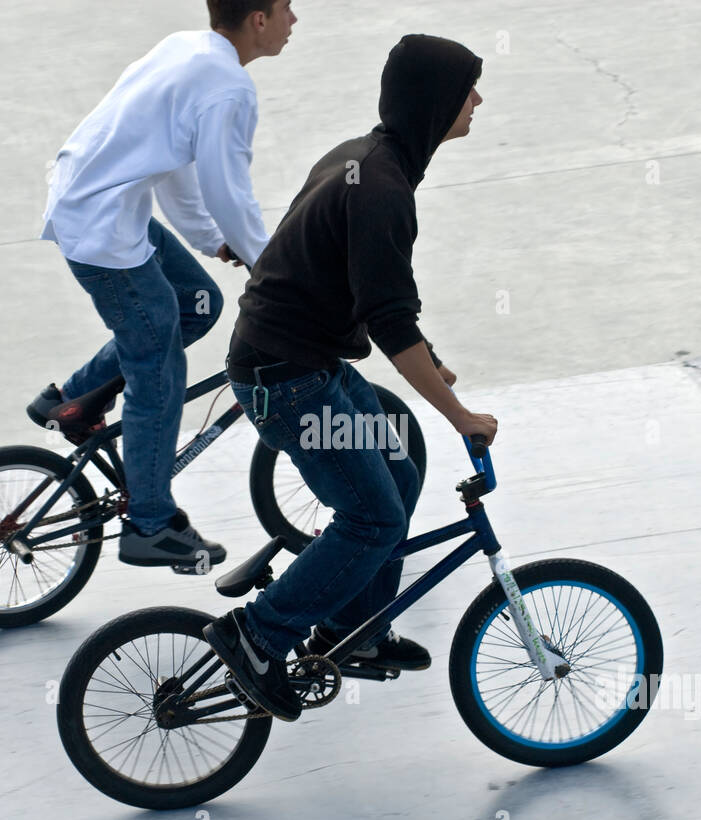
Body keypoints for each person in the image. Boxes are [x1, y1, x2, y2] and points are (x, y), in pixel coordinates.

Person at [202, 34, 497, 721]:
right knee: (371, 518)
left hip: (305, 361)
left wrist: (427, 357)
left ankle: (353, 632)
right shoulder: (383, 188)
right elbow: (390, 321)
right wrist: (462, 415)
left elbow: (354, 288)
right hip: (288, 379)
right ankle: (257, 635)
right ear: (435, 103)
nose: (478, 101)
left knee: (397, 452)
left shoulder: (366, 158)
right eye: (467, 90)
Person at [29, 1, 298, 569]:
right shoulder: (229, 89)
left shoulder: (189, 49)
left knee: (199, 305)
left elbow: (179, 164)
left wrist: (208, 237)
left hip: (102, 203)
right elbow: (229, 191)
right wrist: (271, 270)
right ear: (258, 19)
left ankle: (72, 401)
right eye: (287, 8)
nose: (294, 19)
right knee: (159, 370)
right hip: (104, 230)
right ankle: (148, 523)